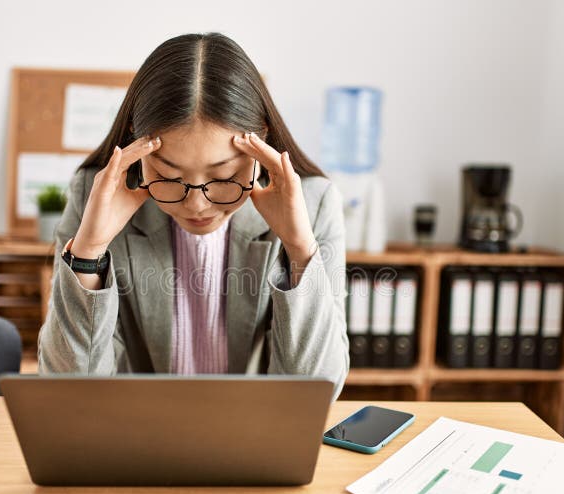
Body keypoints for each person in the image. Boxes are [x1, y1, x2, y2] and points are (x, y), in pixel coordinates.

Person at [38, 32, 349, 400]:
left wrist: (300, 250)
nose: (197, 205)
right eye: (169, 177)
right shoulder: (97, 195)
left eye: (223, 178)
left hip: (253, 441)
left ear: (261, 142)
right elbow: (70, 393)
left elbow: (314, 394)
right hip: (136, 440)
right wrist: (88, 253)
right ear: (138, 142)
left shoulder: (314, 204)